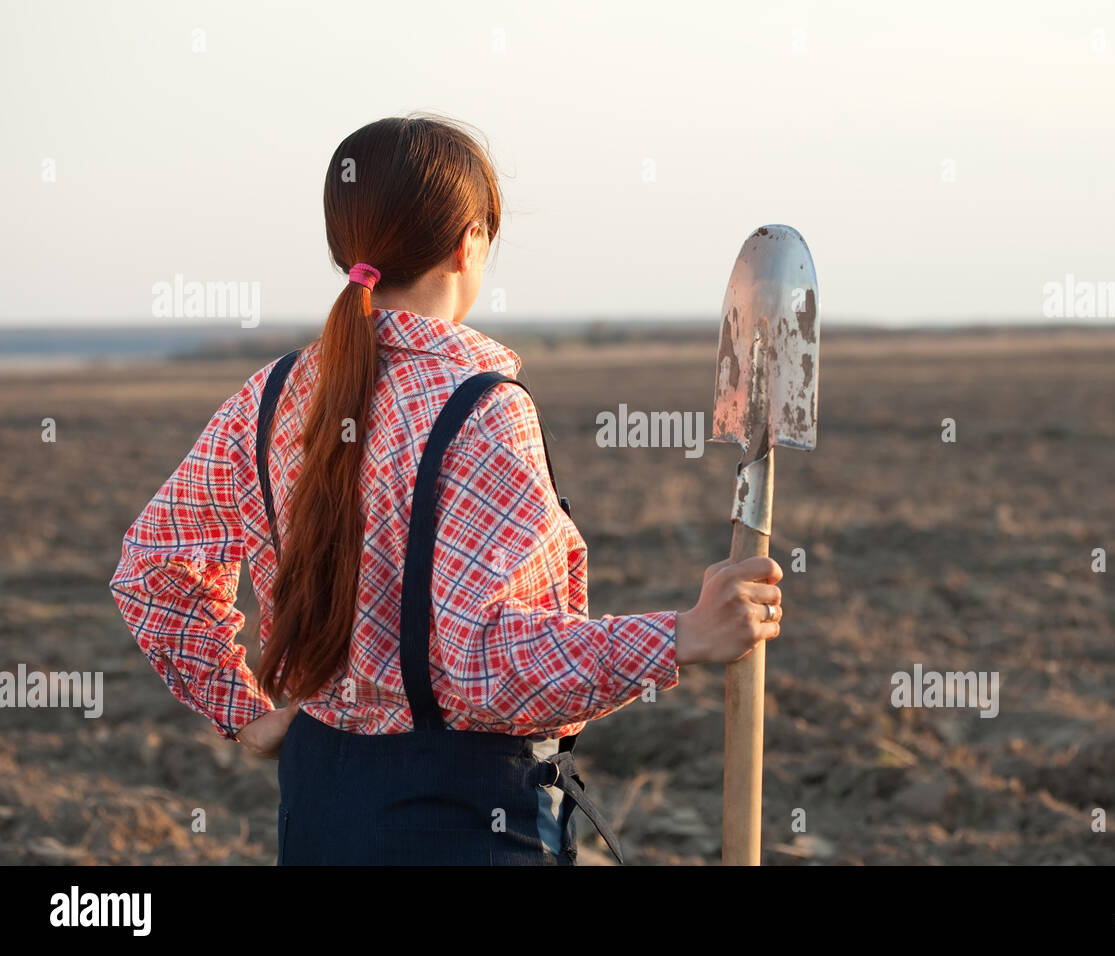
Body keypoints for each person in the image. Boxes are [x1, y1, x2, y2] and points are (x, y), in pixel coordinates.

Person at [109, 113, 783, 866]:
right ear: (470, 241)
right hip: (461, 824)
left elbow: (152, 569)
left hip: (317, 809)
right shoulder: (481, 408)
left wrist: (246, 714)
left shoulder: (269, 397)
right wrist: (682, 636)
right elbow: (485, 666)